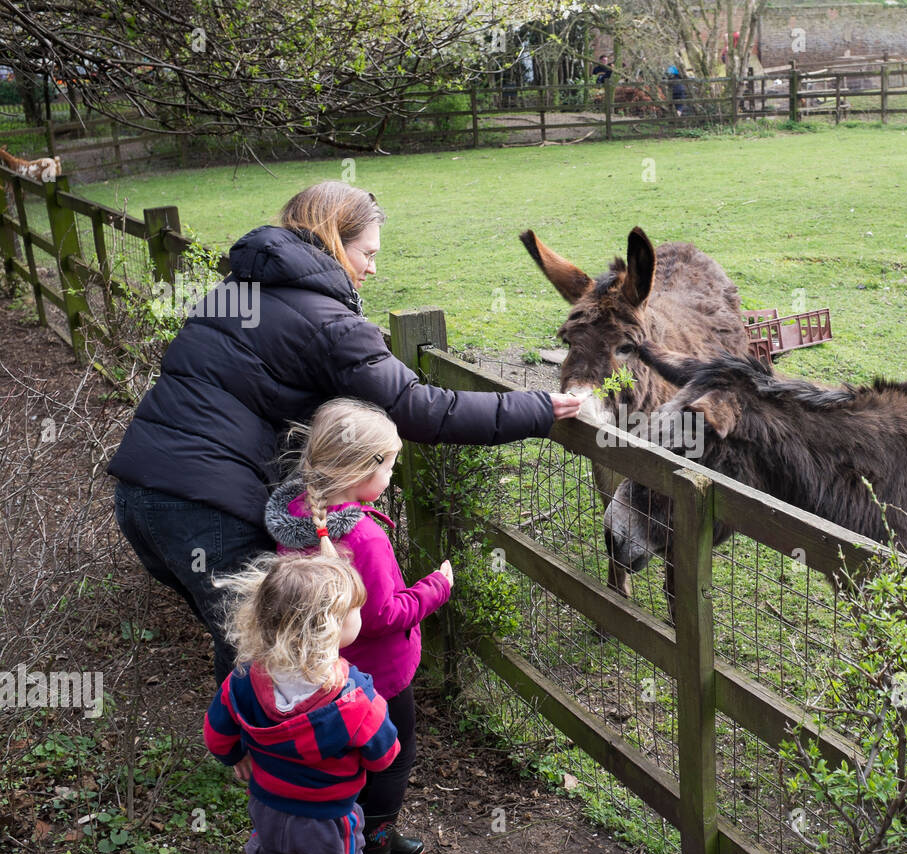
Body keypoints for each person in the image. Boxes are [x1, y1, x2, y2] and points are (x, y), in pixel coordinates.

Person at [108, 181, 582, 688]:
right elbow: (417, 409)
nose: (373, 268)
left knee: (248, 640)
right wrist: (535, 408)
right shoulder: (329, 320)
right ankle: (269, 758)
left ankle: (256, 749)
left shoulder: (233, 292)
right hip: (207, 510)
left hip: (139, 495)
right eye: (367, 252)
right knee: (267, 657)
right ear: (335, 239)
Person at [264, 397, 451, 854]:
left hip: (322, 672)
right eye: (389, 466)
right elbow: (382, 616)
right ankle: (375, 843)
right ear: (360, 470)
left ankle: (356, 831)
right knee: (391, 756)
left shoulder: (294, 511)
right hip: (380, 676)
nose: (391, 477)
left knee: (345, 758)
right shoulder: (363, 536)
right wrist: (437, 586)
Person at [203, 551, 398, 854]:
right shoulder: (356, 700)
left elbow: (216, 734)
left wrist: (234, 755)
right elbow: (385, 754)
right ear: (327, 629)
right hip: (328, 820)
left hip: (268, 807)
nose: (361, 612)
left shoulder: (242, 680)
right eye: (353, 609)